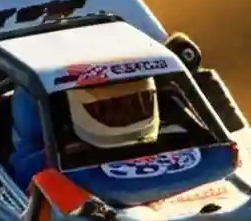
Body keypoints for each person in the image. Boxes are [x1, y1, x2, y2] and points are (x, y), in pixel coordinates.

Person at [8, 76, 161, 190]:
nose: (126, 114)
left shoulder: (176, 137)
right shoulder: (41, 168)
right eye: (106, 108)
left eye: (137, 102)